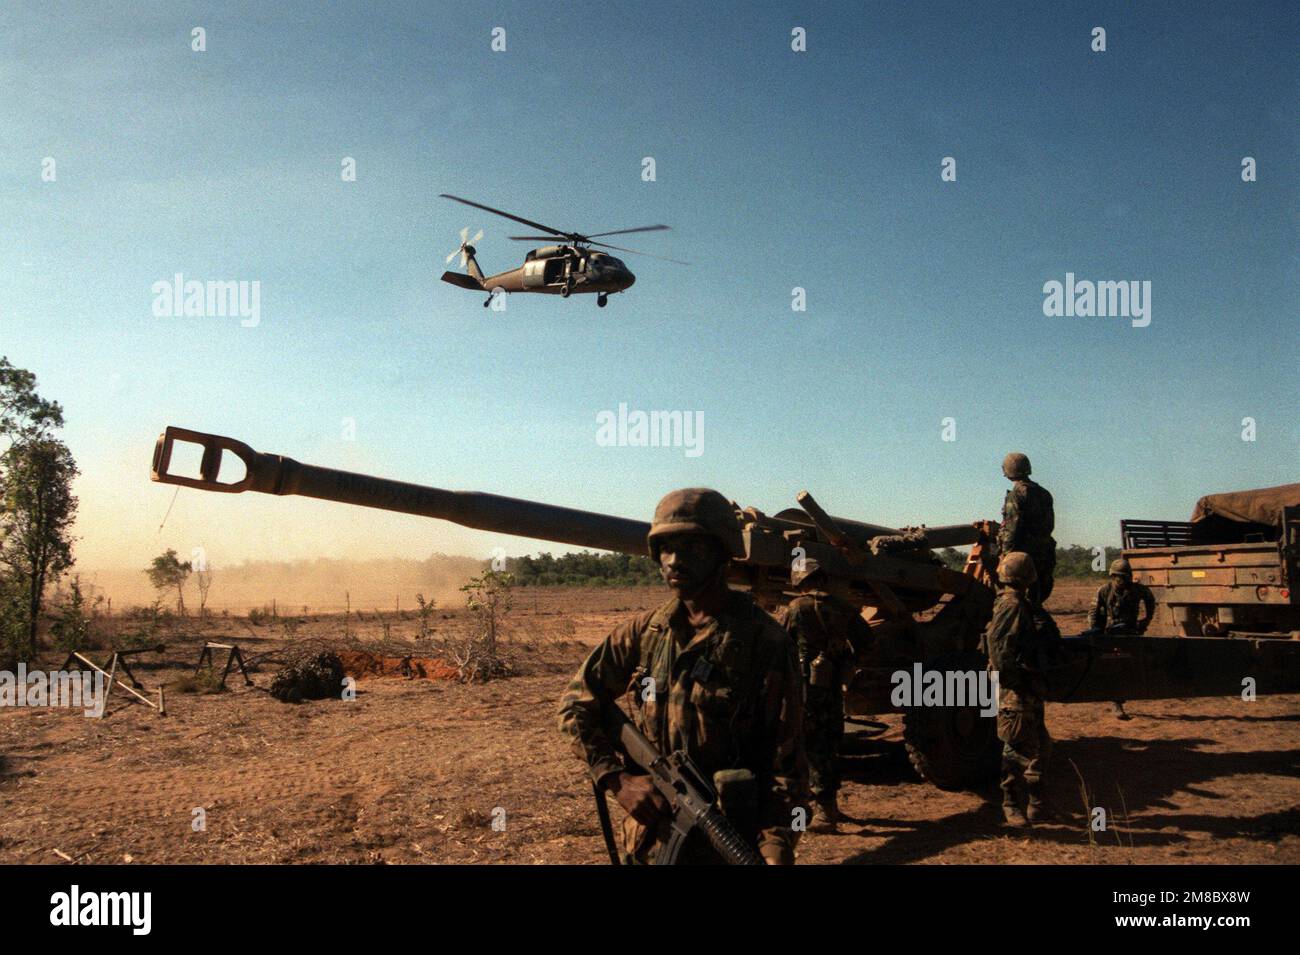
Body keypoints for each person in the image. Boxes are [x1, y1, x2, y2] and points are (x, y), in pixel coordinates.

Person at [558, 488, 807, 864]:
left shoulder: (765, 643)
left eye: (693, 548)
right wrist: (617, 779)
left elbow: (787, 770)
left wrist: (776, 848)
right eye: (665, 549)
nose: (674, 561)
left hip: (730, 843)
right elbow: (576, 705)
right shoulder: (643, 633)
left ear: (723, 553)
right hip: (649, 846)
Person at [781, 559, 871, 832]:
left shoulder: (797, 608)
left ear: (800, 582)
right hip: (832, 685)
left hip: (806, 688)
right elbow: (867, 639)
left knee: (809, 746)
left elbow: (781, 644)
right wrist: (847, 663)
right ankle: (830, 808)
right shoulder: (843, 607)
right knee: (830, 742)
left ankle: (824, 813)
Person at [983, 551, 1053, 827]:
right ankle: (1011, 804)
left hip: (1026, 687)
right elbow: (999, 650)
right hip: (1016, 689)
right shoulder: (1012, 605)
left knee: (1041, 746)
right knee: (1016, 747)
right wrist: (1017, 682)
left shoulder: (1018, 602)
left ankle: (1037, 803)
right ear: (1028, 577)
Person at [1088, 558, 1156, 720]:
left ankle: (1122, 695)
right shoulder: (1104, 591)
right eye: (1118, 576)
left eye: (1125, 576)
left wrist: (1146, 620)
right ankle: (1116, 702)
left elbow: (1150, 600)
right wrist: (1096, 631)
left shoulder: (1137, 590)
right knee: (1115, 666)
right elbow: (1093, 612)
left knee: (1132, 665)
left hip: (1131, 632)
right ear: (1113, 576)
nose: (1122, 580)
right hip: (1111, 635)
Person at [996, 452, 1056, 613]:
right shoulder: (1044, 493)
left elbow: (1011, 529)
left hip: (1022, 557)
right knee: (1035, 601)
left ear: (1008, 470)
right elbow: (1050, 525)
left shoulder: (1016, 494)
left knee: (1019, 602)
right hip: (1043, 554)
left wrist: (1005, 556)